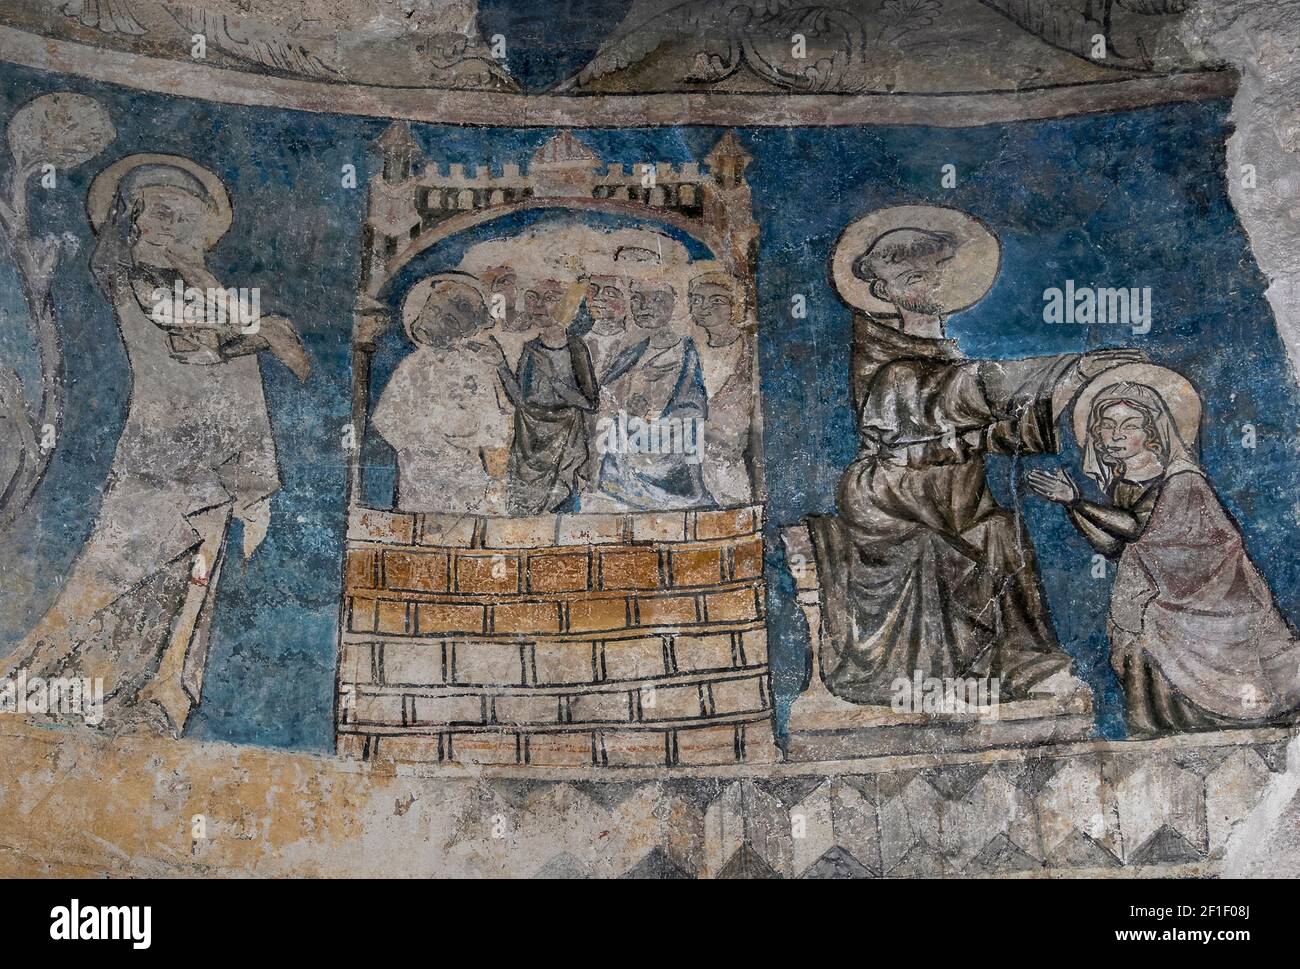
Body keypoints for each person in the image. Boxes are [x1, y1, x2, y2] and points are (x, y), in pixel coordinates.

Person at [1, 153, 308, 736]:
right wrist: (265, 331)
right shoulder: (136, 276)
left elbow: (222, 342)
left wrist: (251, 324)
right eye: (163, 214)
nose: (175, 229)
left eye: (187, 220)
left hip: (211, 458)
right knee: (118, 566)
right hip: (157, 451)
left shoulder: (193, 278)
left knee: (194, 574)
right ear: (134, 218)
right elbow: (195, 339)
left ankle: (158, 695)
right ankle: (49, 680)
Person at [807, 205, 1140, 706]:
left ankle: (1020, 665)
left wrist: (1062, 401)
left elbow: (980, 434)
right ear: (885, 292)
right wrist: (1065, 371)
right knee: (942, 546)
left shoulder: (941, 350)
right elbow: (963, 391)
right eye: (915, 276)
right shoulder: (889, 364)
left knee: (1002, 531)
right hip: (896, 501)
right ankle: (924, 679)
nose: (933, 283)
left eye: (938, 271)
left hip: (953, 491)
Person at [1028, 368, 1300, 737]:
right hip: (1160, 593)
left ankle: (1212, 718)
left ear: (1152, 432)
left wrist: (1077, 500)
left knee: (1149, 628)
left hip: (1211, 597)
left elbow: (1135, 526)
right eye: (1106, 425)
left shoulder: (1181, 478)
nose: (1116, 435)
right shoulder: (1124, 486)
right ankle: (1159, 729)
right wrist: (1071, 507)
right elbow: (1113, 545)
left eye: (1128, 425)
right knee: (1140, 638)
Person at [370, 272, 513, 514]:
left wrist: (466, 429)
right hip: (419, 475)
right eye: (433, 312)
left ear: (465, 329)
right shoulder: (412, 367)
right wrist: (427, 433)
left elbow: (493, 428)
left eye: (449, 319)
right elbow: (385, 419)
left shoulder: (475, 367)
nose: (438, 323)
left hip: (464, 475)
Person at [591, 257, 713, 510]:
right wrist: (626, 407)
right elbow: (606, 396)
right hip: (621, 468)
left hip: (669, 466)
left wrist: (652, 413)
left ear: (676, 304)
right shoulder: (632, 353)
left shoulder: (685, 352)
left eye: (657, 298)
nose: (645, 306)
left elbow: (694, 407)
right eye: (637, 299)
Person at [495, 264, 599, 515]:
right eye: (532, 298)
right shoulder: (531, 348)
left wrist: (553, 377)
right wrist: (499, 362)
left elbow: (590, 403)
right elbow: (520, 399)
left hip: (565, 438)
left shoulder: (575, 347)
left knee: (562, 504)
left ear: (568, 305)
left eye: (550, 298)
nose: (539, 306)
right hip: (529, 439)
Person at [688, 263, 754, 506]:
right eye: (697, 300)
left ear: (734, 307)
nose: (704, 307)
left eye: (716, 301)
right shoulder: (691, 349)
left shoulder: (750, 349)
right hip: (696, 448)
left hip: (733, 450)